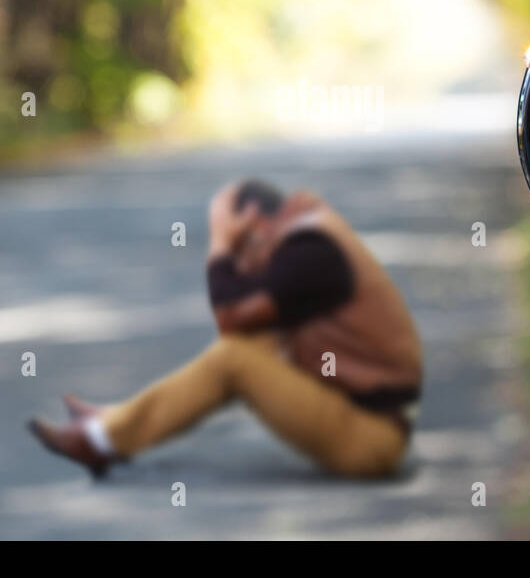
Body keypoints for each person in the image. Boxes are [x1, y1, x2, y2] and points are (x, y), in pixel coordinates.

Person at [27, 179, 423, 479]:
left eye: (239, 246)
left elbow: (228, 317)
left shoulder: (312, 252)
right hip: (367, 422)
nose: (239, 265)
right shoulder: (306, 234)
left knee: (235, 358)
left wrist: (219, 242)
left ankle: (98, 441)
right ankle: (114, 423)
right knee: (250, 344)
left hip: (372, 438)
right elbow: (240, 321)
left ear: (256, 224)